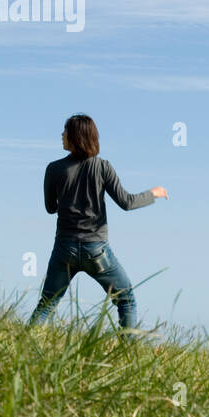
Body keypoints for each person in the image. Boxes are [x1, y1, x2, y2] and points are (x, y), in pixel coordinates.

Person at [29, 114, 168, 331]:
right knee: (126, 300)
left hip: (64, 248)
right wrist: (154, 193)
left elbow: (50, 208)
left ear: (76, 136)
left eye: (65, 131)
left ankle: (25, 348)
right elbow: (127, 202)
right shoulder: (103, 167)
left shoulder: (53, 169)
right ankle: (127, 354)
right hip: (97, 250)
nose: (62, 135)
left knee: (47, 304)